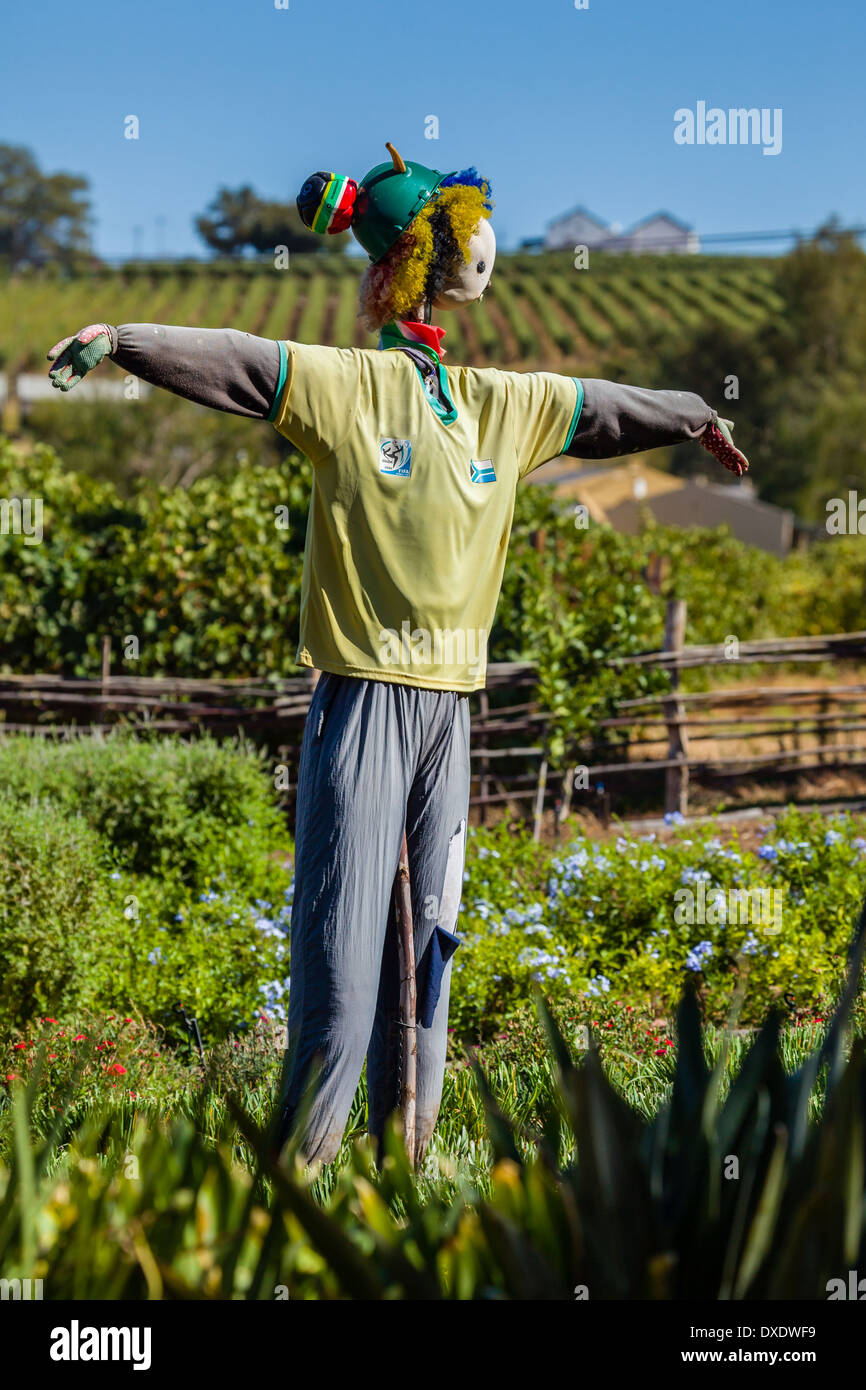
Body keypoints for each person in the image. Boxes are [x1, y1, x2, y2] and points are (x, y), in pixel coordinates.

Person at [47, 143, 748, 1166]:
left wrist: (689, 416)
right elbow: (243, 362)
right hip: (364, 697)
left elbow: (596, 407)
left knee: (432, 937)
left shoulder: (497, 406)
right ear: (420, 261)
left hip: (447, 709)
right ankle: (299, 1172)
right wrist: (124, 339)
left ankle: (403, 1157)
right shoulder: (349, 390)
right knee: (339, 950)